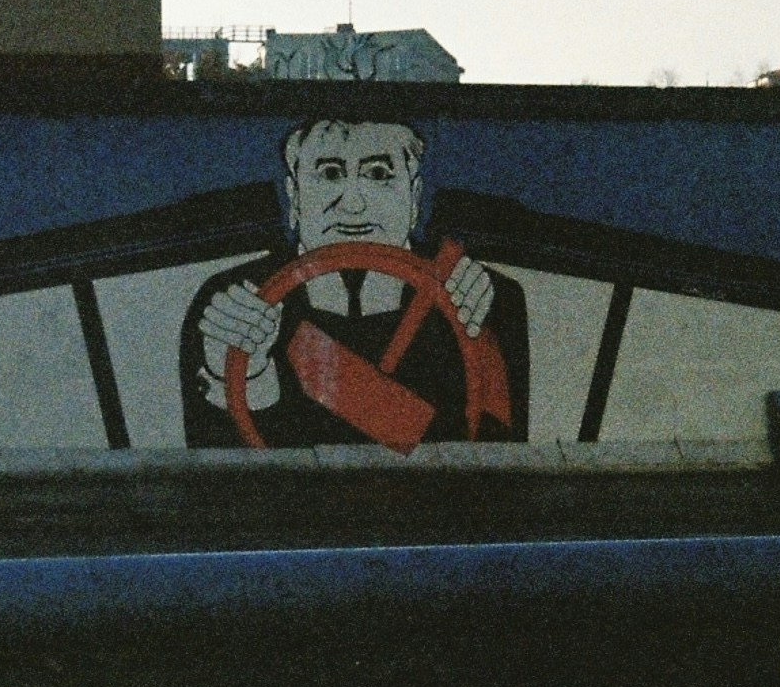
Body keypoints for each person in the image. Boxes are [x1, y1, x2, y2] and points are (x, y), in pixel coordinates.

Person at [180, 117, 531, 448]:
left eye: (378, 174)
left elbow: (491, 463)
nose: (352, 203)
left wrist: (481, 339)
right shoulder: (235, 301)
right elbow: (217, 477)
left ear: (414, 195)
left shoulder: (478, 295)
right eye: (329, 174)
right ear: (295, 194)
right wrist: (243, 375)